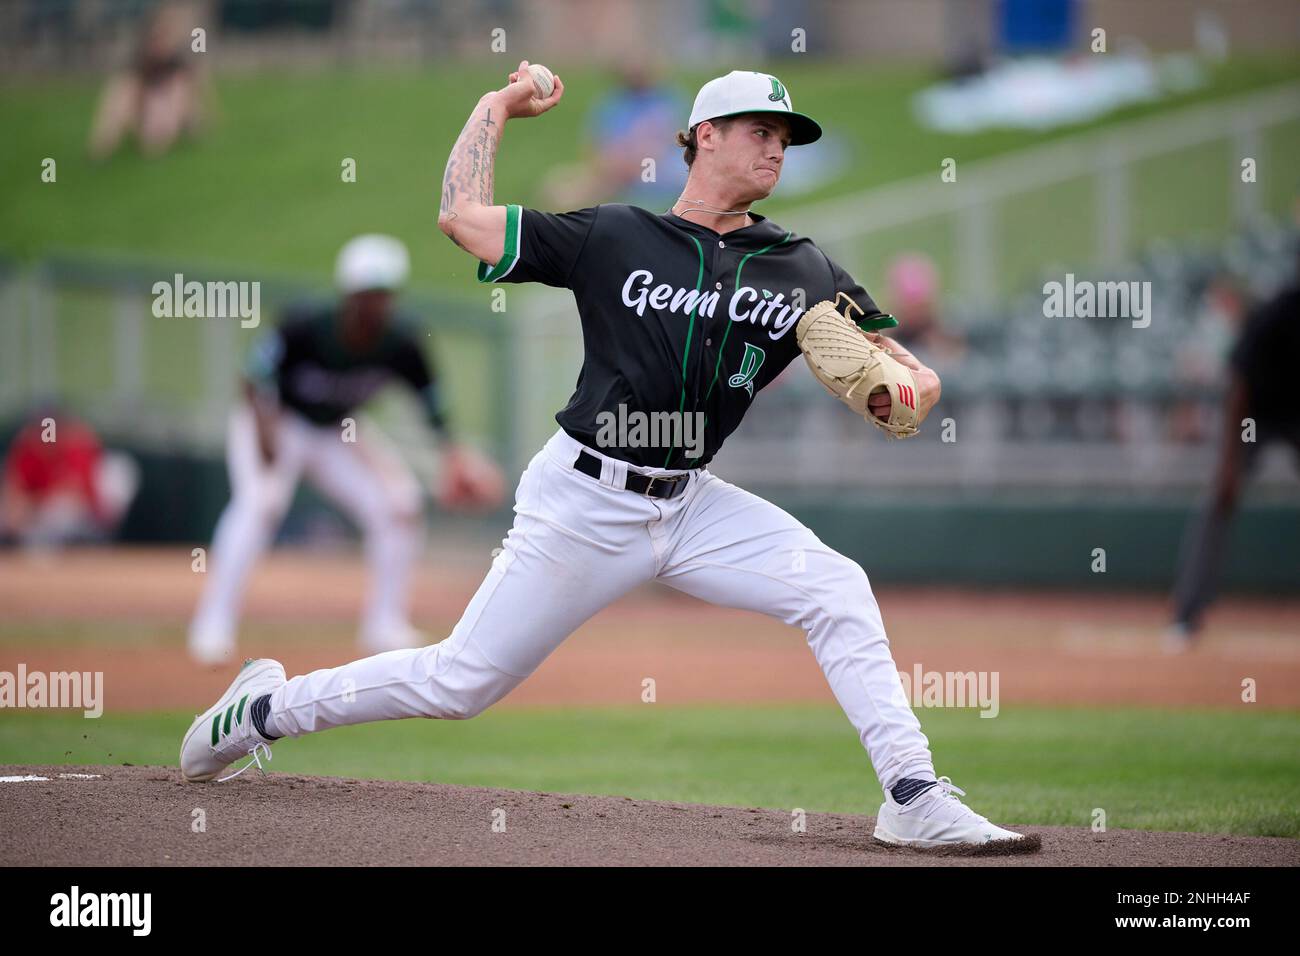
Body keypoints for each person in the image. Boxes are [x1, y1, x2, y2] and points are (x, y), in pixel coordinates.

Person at [180, 67, 1029, 850]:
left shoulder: (799, 267)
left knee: (836, 586)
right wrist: (496, 108)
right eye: (758, 128)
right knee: (459, 683)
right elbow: (461, 219)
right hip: (584, 501)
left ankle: (912, 796)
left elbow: (910, 373)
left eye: (785, 134)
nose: (777, 145)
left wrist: (907, 390)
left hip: (692, 504)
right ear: (701, 137)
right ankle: (263, 708)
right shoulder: (617, 235)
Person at [186, 234, 504, 666]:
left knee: (400, 505)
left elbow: (431, 403)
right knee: (261, 504)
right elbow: (253, 377)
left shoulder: (401, 342)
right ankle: (213, 626)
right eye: (367, 295)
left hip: (340, 430)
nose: (376, 305)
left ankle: (385, 625)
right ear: (347, 295)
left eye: (384, 295)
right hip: (275, 421)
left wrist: (454, 458)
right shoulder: (306, 325)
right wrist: (265, 435)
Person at [1167, 253, 1300, 652]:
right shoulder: (1282, 310)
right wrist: (1229, 460)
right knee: (1218, 501)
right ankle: (1186, 616)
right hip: (1254, 413)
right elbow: (1239, 384)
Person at [87, 2, 212, 161]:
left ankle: (163, 134)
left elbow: (195, 88)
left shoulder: (179, 61)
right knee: (123, 90)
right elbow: (122, 96)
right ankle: (104, 146)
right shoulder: (139, 62)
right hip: (143, 108)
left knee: (179, 87)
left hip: (168, 108)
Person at [1, 409, 138, 549]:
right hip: (38, 514)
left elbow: (79, 493)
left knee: (63, 507)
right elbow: (14, 489)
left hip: (86, 514)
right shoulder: (27, 447)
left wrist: (36, 503)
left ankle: (88, 543)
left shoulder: (77, 443)